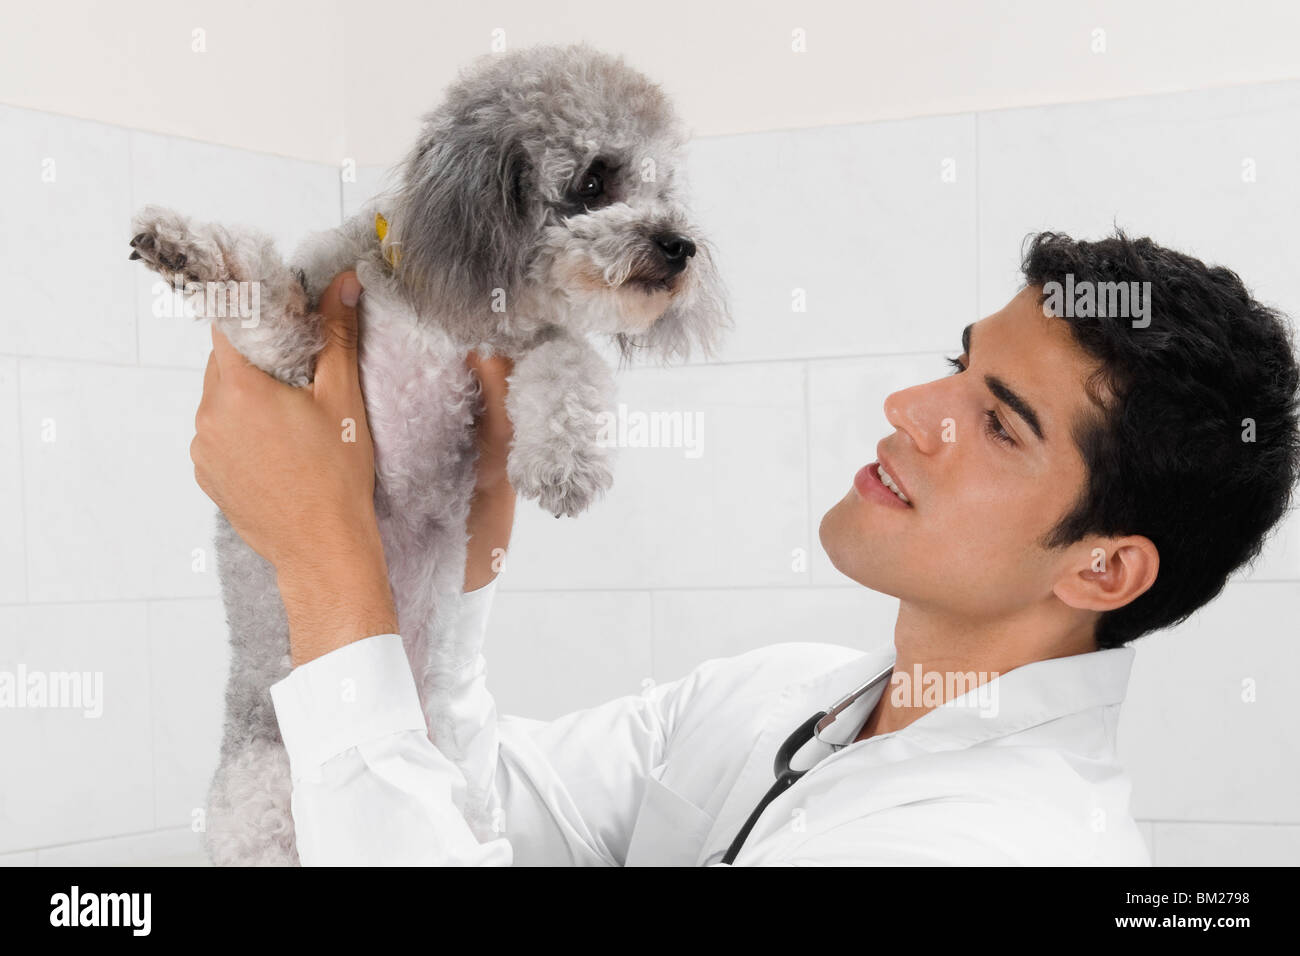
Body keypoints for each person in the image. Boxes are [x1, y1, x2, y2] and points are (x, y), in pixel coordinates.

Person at [190, 232, 1300, 865]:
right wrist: (453, 549)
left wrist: (326, 565)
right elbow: (484, 806)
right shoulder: (783, 699)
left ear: (1102, 567)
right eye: (955, 363)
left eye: (998, 421)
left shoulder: (1000, 844)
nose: (913, 404)